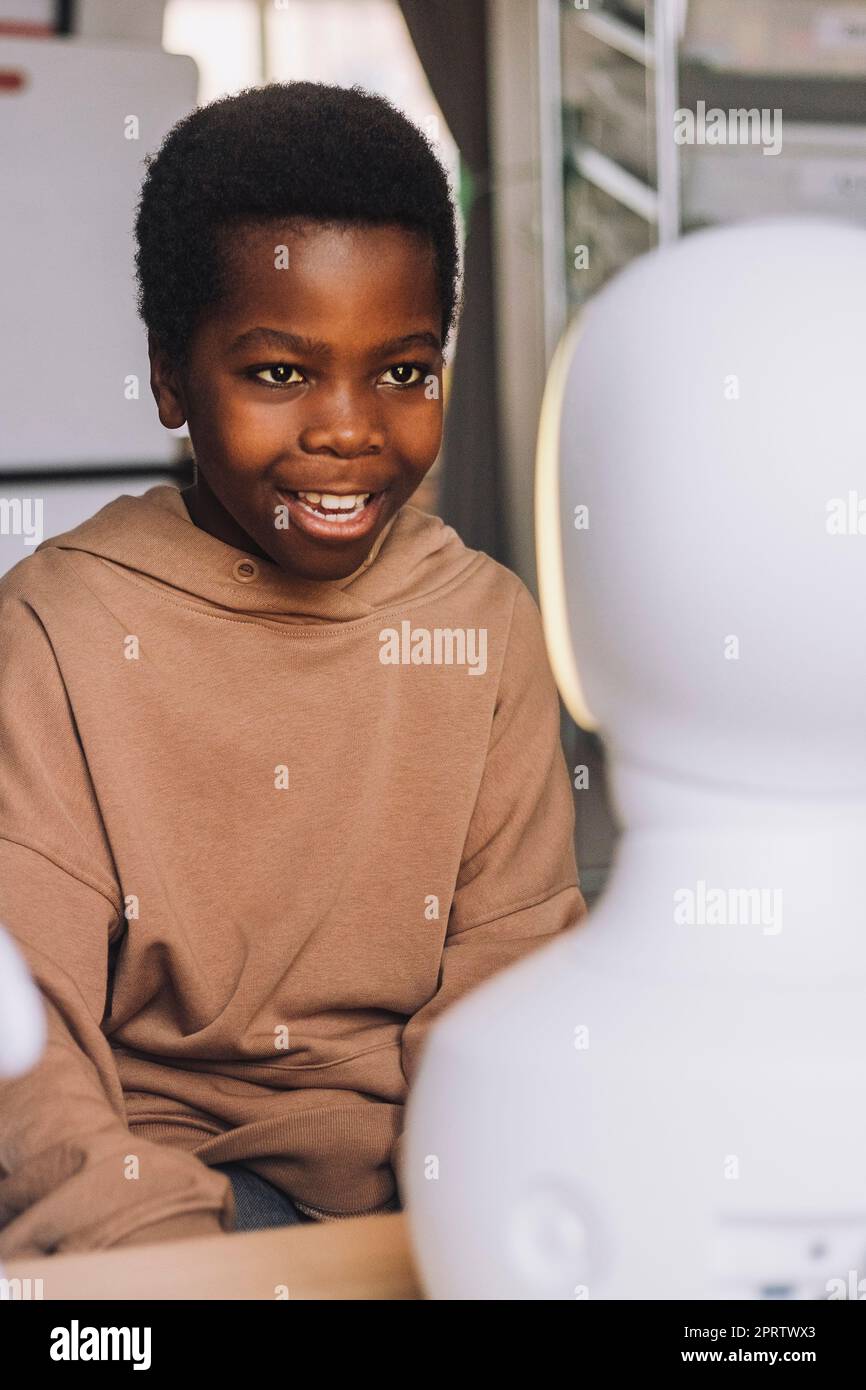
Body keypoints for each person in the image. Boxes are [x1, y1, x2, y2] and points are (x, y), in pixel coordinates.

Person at [0, 81, 586, 1258]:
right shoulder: (56, 632)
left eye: (402, 371)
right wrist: (177, 1256)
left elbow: (509, 992)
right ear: (170, 378)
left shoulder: (483, 626)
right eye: (279, 373)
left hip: (425, 1193)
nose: (348, 429)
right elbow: (30, 1054)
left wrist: (475, 1219)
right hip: (154, 1196)